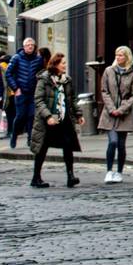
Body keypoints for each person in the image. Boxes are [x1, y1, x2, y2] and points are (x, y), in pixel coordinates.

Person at [30, 52, 80, 189]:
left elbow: (72, 99)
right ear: (56, 64)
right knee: (42, 147)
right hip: (47, 120)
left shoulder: (66, 80)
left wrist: (79, 115)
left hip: (64, 118)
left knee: (68, 146)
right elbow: (38, 100)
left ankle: (70, 176)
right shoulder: (44, 79)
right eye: (63, 63)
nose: (65, 65)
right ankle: (36, 177)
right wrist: (48, 116)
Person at [99, 46, 133, 182]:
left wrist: (122, 108)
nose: (118, 57)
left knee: (121, 145)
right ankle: (109, 171)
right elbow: (104, 91)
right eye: (117, 55)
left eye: (121, 55)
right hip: (109, 113)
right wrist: (112, 108)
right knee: (113, 142)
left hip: (124, 114)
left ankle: (119, 172)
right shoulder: (108, 71)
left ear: (127, 57)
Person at [5, 38, 43, 150]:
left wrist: (39, 88)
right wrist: (15, 88)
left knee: (32, 116)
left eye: (32, 45)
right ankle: (14, 135)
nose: (30, 47)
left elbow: (41, 74)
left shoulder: (38, 59)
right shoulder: (16, 58)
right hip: (20, 92)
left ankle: (30, 139)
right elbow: (8, 74)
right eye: (28, 45)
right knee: (20, 116)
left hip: (33, 92)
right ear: (24, 46)